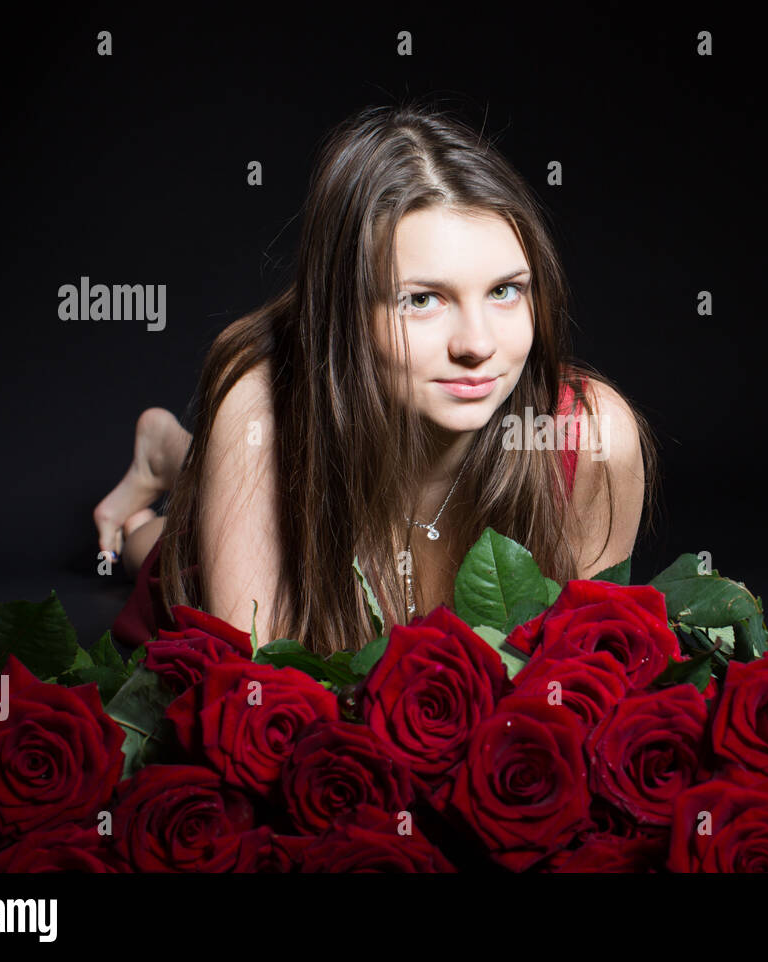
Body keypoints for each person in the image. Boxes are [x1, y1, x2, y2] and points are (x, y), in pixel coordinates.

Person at [93, 100, 660, 656]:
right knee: (164, 555)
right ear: (347, 313)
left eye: (505, 290)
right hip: (271, 466)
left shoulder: (590, 439)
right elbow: (262, 680)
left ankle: (170, 453)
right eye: (422, 299)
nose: (478, 346)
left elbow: (590, 666)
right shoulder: (260, 415)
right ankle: (171, 456)